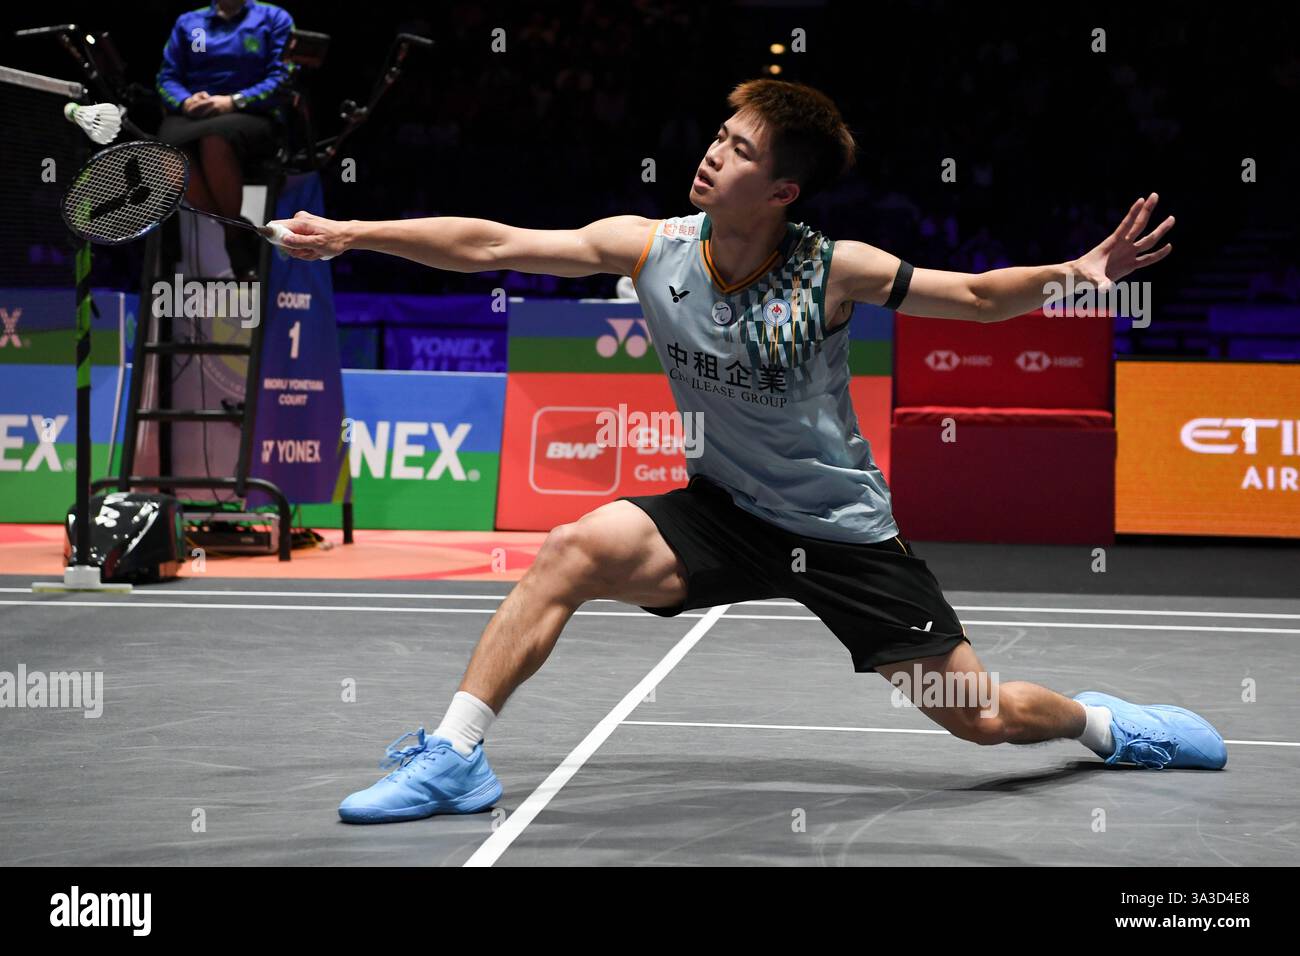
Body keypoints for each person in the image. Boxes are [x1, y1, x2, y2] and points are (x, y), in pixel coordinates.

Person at [271, 78, 1225, 826]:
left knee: (980, 719)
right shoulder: (651, 247)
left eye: (740, 151)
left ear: (781, 190)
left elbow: (975, 298)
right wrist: (354, 232)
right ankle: (456, 756)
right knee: (569, 548)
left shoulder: (832, 270)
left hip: (840, 531)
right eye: (718, 138)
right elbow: (493, 245)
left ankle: (1106, 726)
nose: (711, 157)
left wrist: (1078, 273)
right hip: (723, 509)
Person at [155, 0, 294, 278]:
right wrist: (184, 101)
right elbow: (166, 77)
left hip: (252, 113)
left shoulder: (274, 18)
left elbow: (284, 75)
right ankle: (237, 233)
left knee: (214, 140)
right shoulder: (188, 22)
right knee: (165, 151)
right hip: (194, 113)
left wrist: (233, 101)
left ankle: (235, 240)